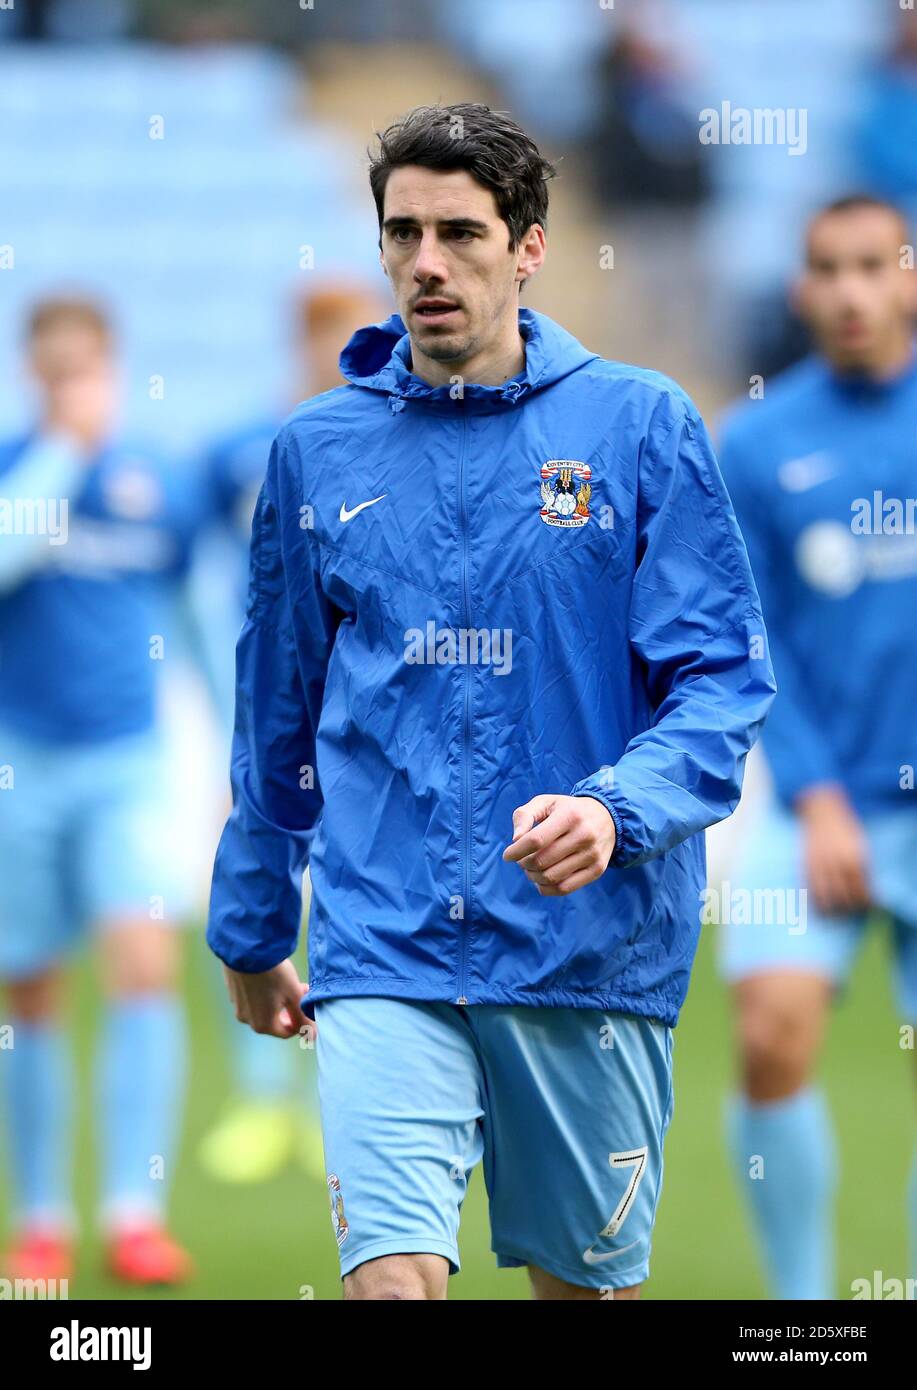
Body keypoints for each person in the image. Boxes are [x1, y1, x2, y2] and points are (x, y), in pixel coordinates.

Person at [207, 102, 775, 1301]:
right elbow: (277, 706)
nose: (425, 262)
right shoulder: (316, 451)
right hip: (382, 942)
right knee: (390, 1283)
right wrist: (255, 919)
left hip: (584, 952)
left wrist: (617, 810)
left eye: (458, 232)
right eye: (400, 231)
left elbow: (719, 681)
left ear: (526, 246)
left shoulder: (638, 425)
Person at [717, 195, 917, 1299]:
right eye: (823, 269)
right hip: (816, 806)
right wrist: (819, 797)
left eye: (869, 266)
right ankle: (802, 1312)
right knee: (769, 1038)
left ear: (907, 280)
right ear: (798, 289)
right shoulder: (752, 440)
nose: (847, 291)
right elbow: (753, 641)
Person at [0, 298, 199, 1285]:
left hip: (129, 761)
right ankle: (40, 1215)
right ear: (32, 372)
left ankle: (132, 1210)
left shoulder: (157, 477)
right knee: (29, 990)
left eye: (85, 365)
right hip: (21, 763)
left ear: (114, 364)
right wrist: (61, 454)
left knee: (142, 963)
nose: (71, 382)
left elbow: (192, 609)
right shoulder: (16, 467)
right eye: (53, 367)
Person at [195, 283, 389, 1186]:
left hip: (349, 709)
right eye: (319, 336)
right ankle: (260, 1095)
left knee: (344, 886)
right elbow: (177, 555)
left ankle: (328, 1094)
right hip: (259, 699)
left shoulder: (378, 450)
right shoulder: (246, 450)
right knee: (251, 876)